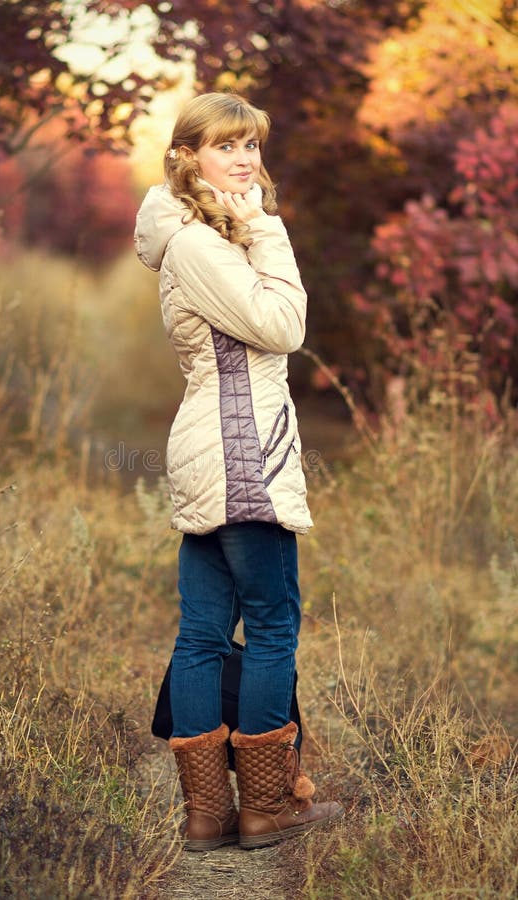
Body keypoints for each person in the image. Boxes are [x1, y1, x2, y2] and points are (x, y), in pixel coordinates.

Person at [134, 91, 343, 851]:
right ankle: (262, 808)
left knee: (202, 633)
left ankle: (206, 817)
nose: (247, 161)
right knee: (272, 624)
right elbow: (285, 324)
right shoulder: (200, 244)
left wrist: (247, 224)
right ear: (189, 157)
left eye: (253, 145)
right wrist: (266, 225)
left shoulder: (196, 236)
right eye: (228, 146)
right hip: (242, 448)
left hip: (214, 445)